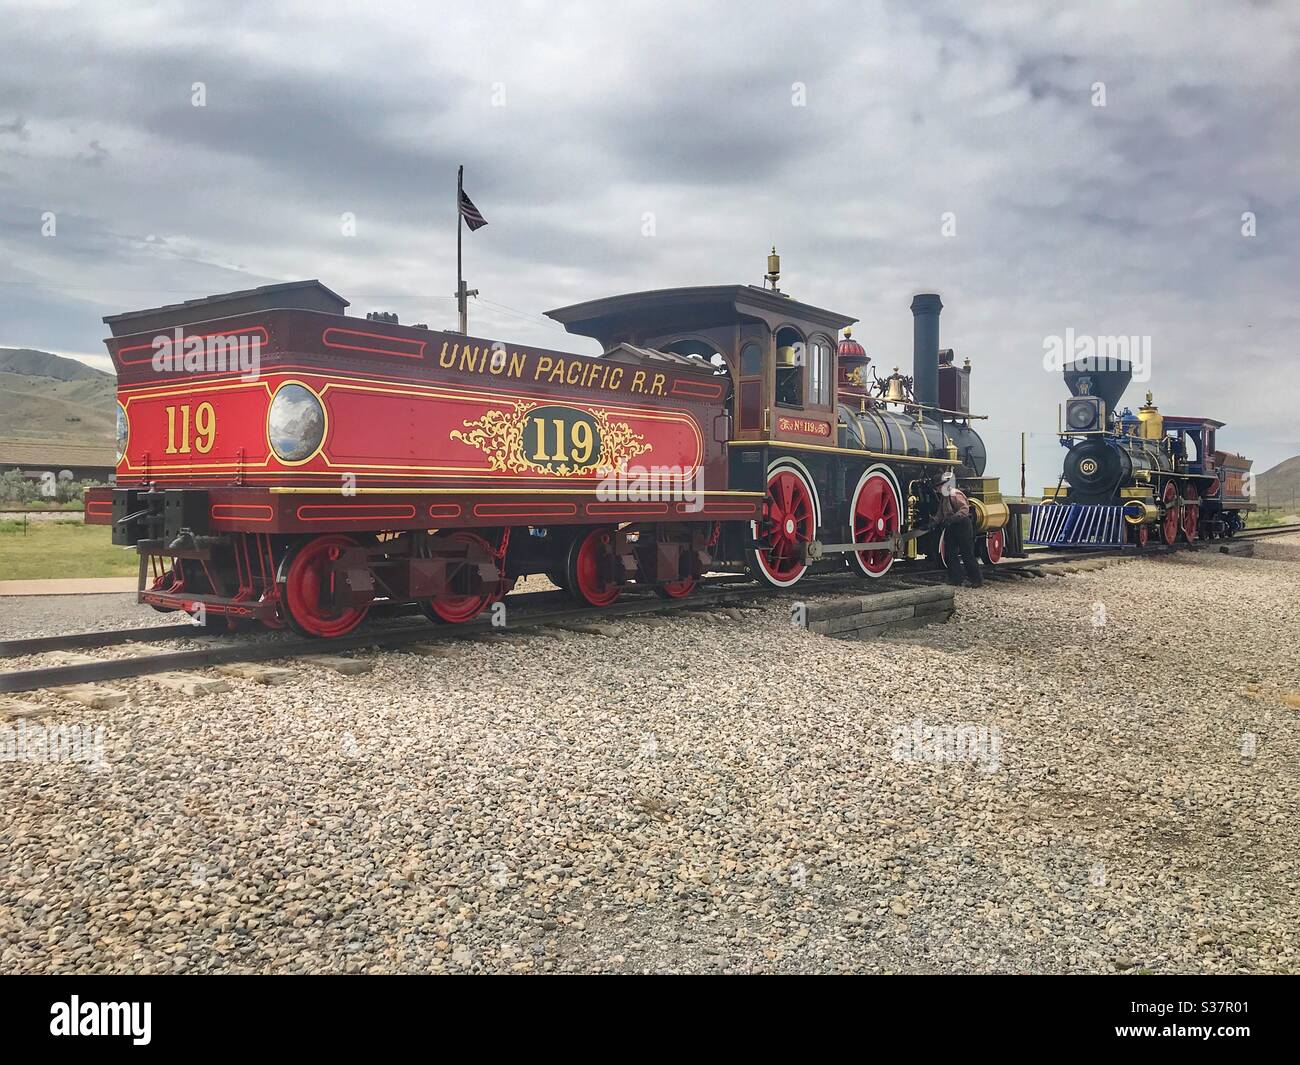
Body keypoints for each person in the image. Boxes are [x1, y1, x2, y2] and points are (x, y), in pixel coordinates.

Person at [932, 471, 983, 588]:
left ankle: (976, 580)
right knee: (950, 553)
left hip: (962, 525)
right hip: (952, 525)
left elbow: (964, 510)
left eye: (938, 487)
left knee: (967, 553)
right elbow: (940, 514)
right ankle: (956, 578)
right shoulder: (944, 497)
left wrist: (952, 519)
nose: (937, 490)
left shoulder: (955, 494)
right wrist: (933, 522)